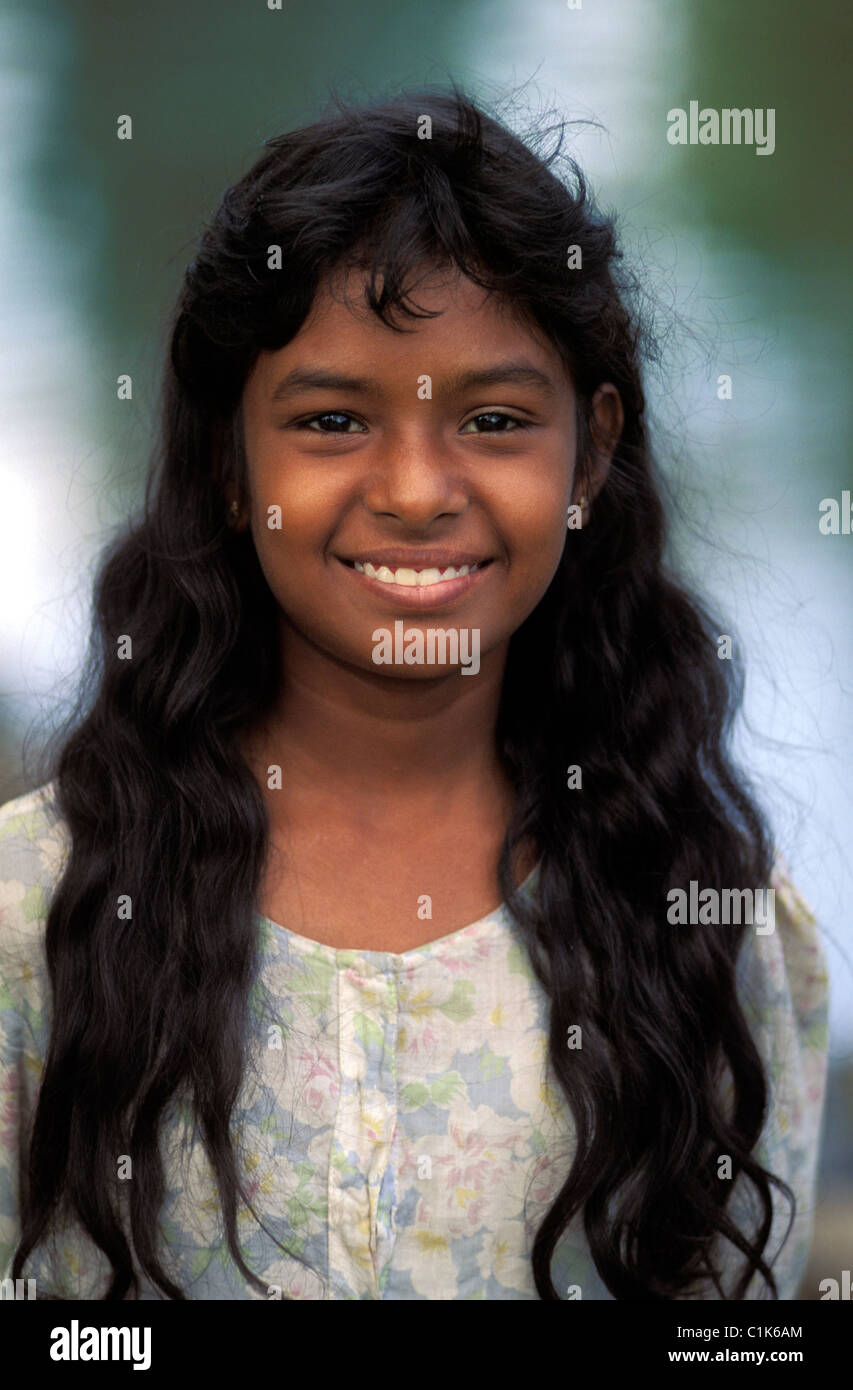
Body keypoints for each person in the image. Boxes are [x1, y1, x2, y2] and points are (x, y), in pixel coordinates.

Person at [0, 85, 829, 1300]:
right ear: (230, 463)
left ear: (589, 453)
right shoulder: (39, 913)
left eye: (493, 419)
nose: (414, 488)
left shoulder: (708, 922)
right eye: (333, 419)